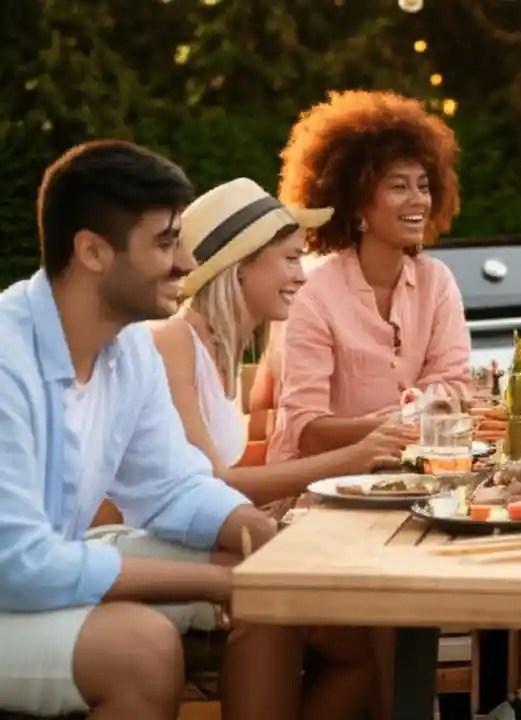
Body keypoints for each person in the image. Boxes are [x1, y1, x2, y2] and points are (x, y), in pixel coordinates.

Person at [0, 140, 299, 719]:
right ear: (92, 252)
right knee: (143, 650)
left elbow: (173, 486)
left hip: (36, 578)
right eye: (166, 243)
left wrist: (249, 527)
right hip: (11, 587)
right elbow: (19, 564)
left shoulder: (128, 346)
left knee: (266, 582)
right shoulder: (6, 359)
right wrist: (214, 585)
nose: (187, 263)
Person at [151, 177, 417, 508]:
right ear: (240, 268)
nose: (302, 275)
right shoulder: (174, 341)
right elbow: (210, 483)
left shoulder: (221, 352)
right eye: (291, 258)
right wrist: (355, 456)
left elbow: (228, 466)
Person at [266, 89, 470, 464]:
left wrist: (416, 420)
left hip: (413, 475)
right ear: (357, 203)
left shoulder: (436, 282)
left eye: (423, 186)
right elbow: (306, 431)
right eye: (398, 186)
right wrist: (406, 422)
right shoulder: (312, 294)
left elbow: (453, 384)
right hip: (320, 489)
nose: (418, 200)